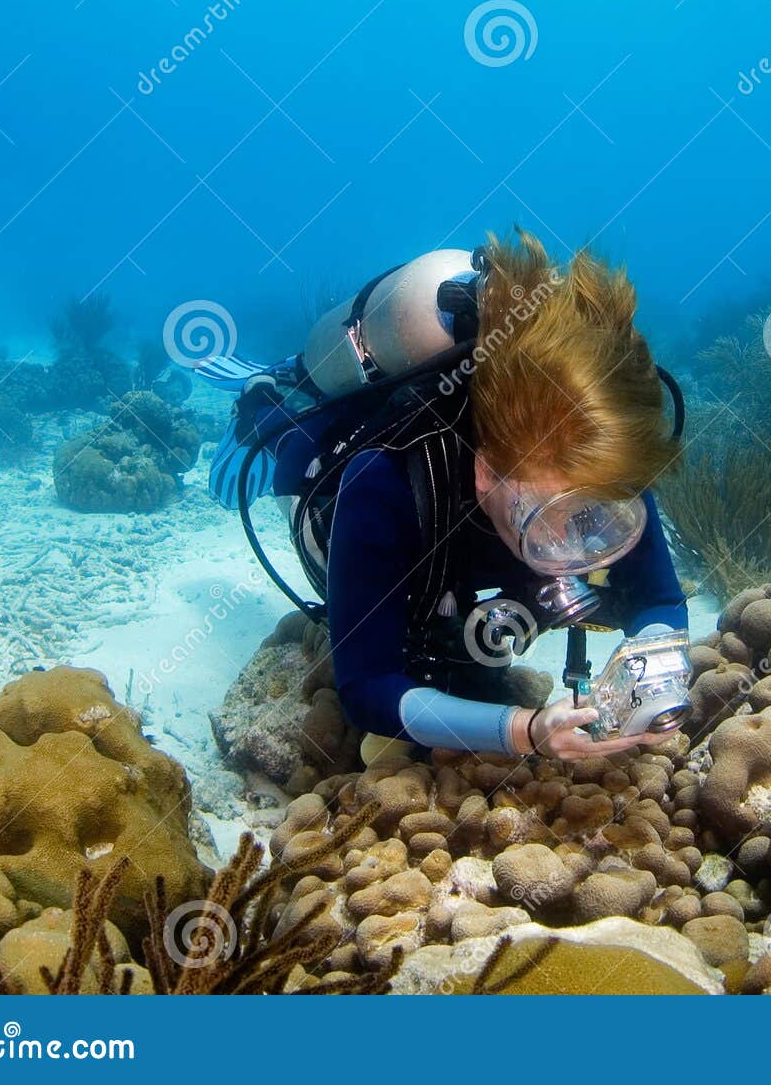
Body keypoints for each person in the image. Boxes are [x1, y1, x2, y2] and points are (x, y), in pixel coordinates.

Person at [201, 231, 691, 762]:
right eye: (546, 516)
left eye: (592, 515)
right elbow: (367, 688)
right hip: (322, 470)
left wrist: (654, 671)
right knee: (291, 441)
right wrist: (525, 730)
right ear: (485, 474)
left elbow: (661, 599)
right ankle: (263, 397)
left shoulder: (598, 469)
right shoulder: (385, 481)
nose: (571, 551)